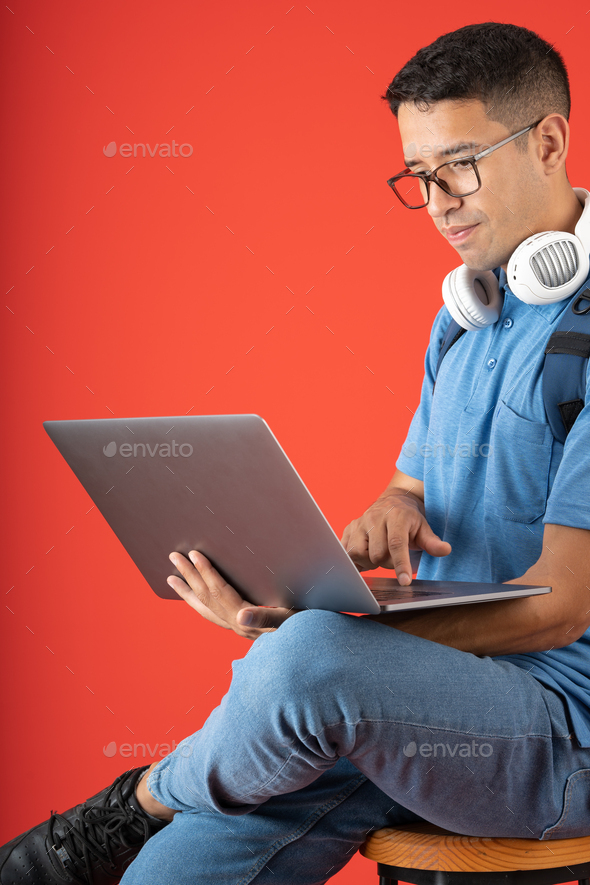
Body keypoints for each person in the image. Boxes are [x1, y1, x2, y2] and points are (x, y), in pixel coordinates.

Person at [2, 20, 590, 885]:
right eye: (418, 176)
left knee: (310, 661)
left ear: (548, 142)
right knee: (167, 875)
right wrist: (396, 510)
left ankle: (136, 802)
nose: (439, 202)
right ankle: (151, 823)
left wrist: (332, 642)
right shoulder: (465, 315)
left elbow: (563, 610)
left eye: (459, 164)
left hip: (556, 733)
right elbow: (409, 485)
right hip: (402, 706)